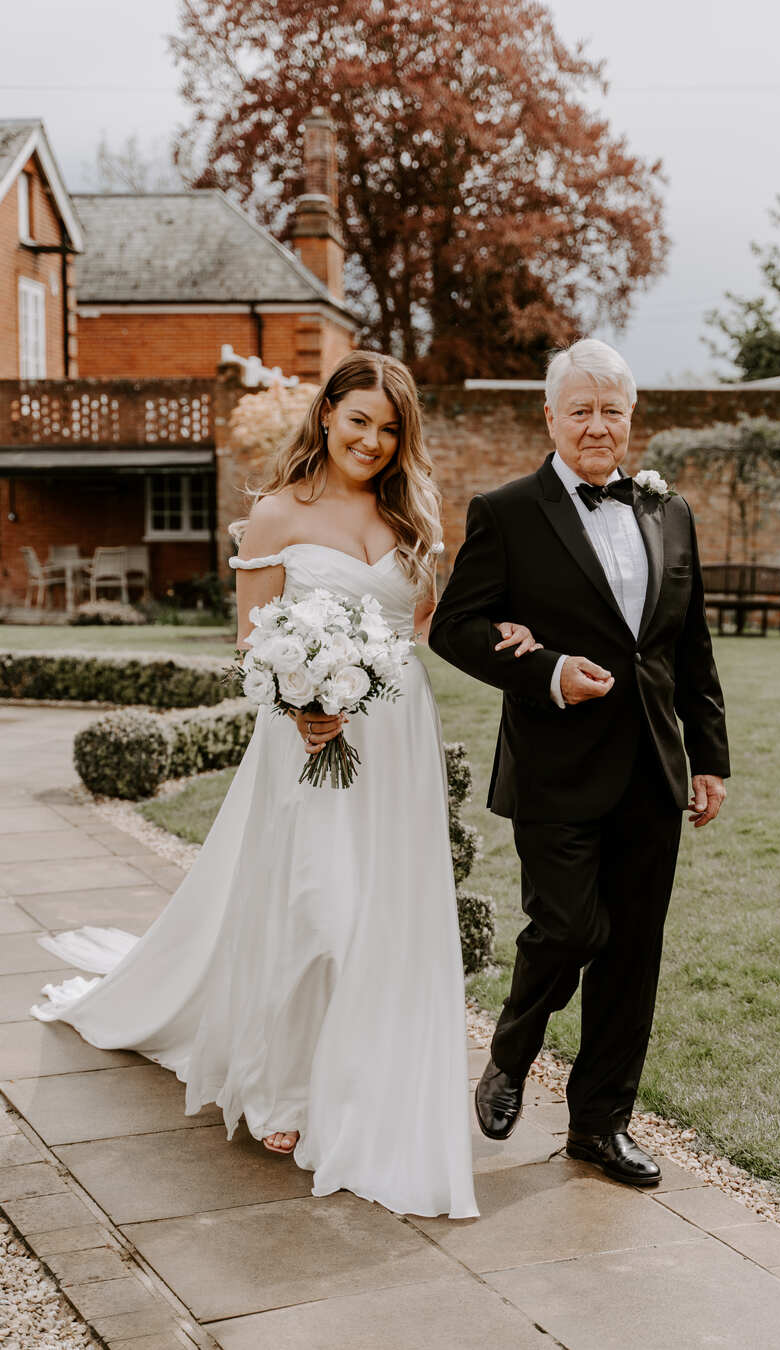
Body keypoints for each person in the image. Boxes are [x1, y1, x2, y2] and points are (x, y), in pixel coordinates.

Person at [31, 350, 538, 1220]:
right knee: (316, 905)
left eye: (389, 429)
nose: (373, 441)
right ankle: (279, 1090)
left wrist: (510, 632)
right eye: (358, 422)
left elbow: (425, 627)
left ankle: (357, 1069)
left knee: (379, 911)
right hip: (305, 740)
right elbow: (249, 644)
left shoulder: (413, 511)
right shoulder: (272, 515)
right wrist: (302, 698)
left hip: (396, 734)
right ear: (327, 415)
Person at [429, 337, 730, 1187]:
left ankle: (601, 1128)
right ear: (550, 417)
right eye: (582, 410)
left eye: (613, 410)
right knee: (569, 926)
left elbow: (688, 648)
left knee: (632, 954)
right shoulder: (508, 510)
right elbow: (455, 626)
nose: (598, 426)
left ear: (631, 417)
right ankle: (511, 1053)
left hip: (653, 771)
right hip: (556, 766)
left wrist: (708, 757)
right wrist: (545, 670)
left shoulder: (670, 511)